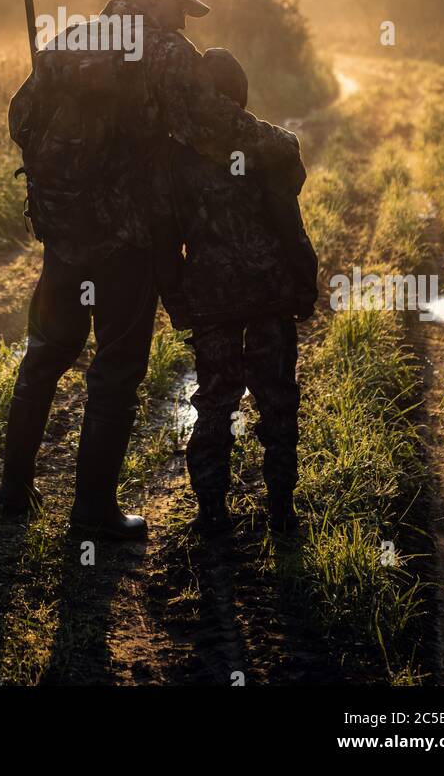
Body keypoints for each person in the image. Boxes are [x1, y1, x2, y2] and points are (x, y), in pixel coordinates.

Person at [0, 0, 303, 541]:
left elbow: (21, 119)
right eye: (180, 8)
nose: (182, 20)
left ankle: (13, 495)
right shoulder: (165, 51)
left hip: (64, 229)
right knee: (115, 369)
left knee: (46, 354)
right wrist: (277, 141)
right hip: (126, 238)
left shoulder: (79, 36)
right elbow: (212, 126)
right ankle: (93, 515)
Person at [169, 47, 318, 536]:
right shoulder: (266, 147)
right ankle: (282, 510)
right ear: (239, 94)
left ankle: (211, 512)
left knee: (215, 401)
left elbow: (164, 240)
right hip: (269, 294)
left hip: (211, 298)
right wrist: (304, 283)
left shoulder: (176, 161)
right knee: (277, 401)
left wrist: (176, 300)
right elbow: (289, 225)